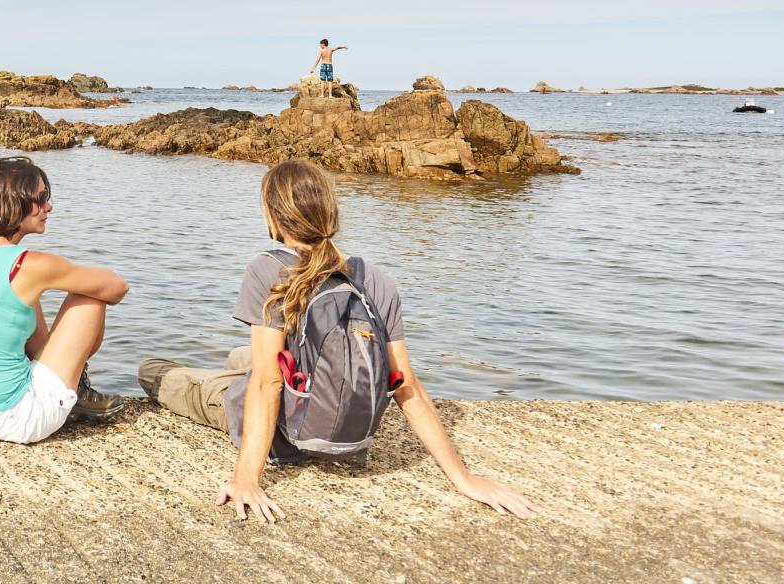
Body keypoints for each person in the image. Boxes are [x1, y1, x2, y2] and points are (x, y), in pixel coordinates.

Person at [138, 160, 537, 523]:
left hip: (287, 433)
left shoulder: (268, 270)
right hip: (351, 439)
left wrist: (246, 479)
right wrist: (463, 479)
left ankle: (183, 382)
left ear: (276, 218)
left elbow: (268, 384)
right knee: (240, 355)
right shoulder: (373, 279)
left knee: (155, 371)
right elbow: (406, 386)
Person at [0, 156, 129, 444]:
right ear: (13, 202)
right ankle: (77, 389)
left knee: (24, 298)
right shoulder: (30, 265)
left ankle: (73, 386)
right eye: (41, 198)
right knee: (90, 296)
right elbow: (117, 288)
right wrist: (84, 277)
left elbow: (33, 339)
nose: (49, 206)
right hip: (13, 418)